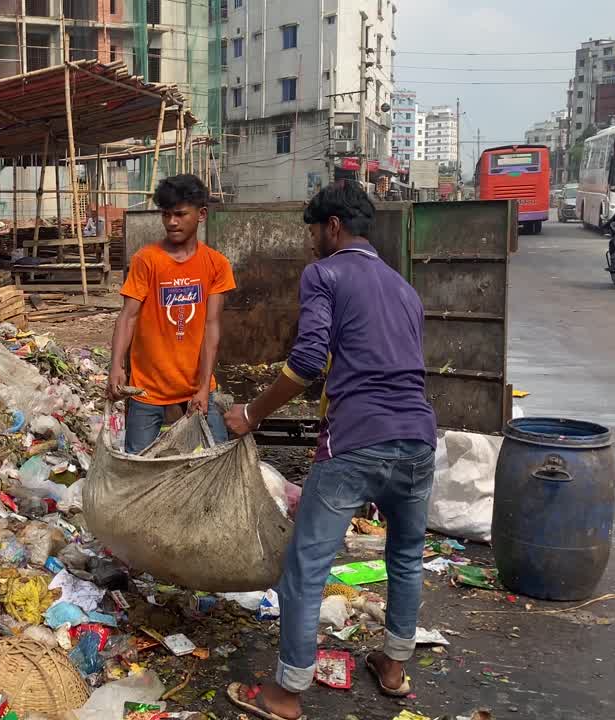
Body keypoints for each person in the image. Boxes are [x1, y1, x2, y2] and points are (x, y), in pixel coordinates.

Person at [222, 181, 438, 720]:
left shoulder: (325, 273)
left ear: (333, 227)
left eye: (313, 231)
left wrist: (250, 414)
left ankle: (286, 693)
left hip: (356, 441)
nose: (311, 243)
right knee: (406, 557)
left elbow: (307, 361)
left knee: (306, 565)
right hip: (418, 440)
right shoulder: (404, 289)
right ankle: (392, 667)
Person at [106, 174, 235, 453]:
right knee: (138, 466)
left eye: (180, 214)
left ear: (200, 215)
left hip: (196, 385)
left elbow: (212, 326)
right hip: (146, 388)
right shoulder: (146, 260)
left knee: (217, 458)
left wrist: (203, 387)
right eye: (166, 215)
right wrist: (116, 366)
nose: (172, 222)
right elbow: (128, 316)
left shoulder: (216, 264)